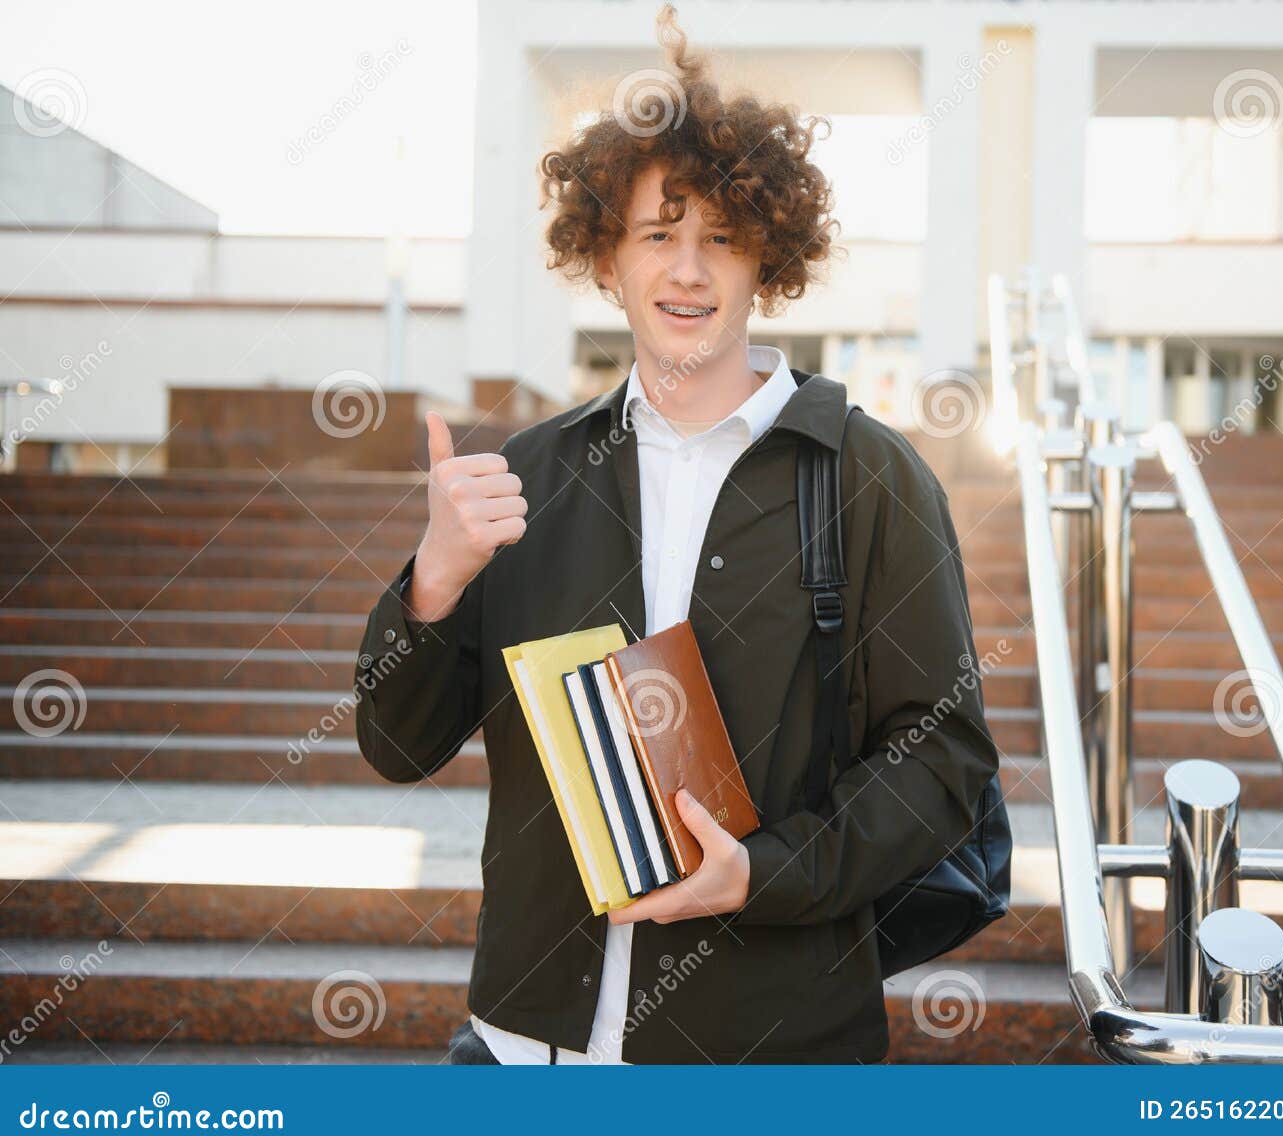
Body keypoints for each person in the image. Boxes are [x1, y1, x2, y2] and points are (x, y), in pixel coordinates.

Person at [353, 4, 998, 1065]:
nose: (688, 271)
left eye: (722, 241)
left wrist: (765, 871)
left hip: (769, 1051)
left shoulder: (869, 475)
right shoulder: (525, 481)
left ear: (768, 266)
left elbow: (941, 761)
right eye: (658, 235)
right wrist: (433, 580)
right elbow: (396, 742)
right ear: (606, 261)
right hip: (529, 1047)